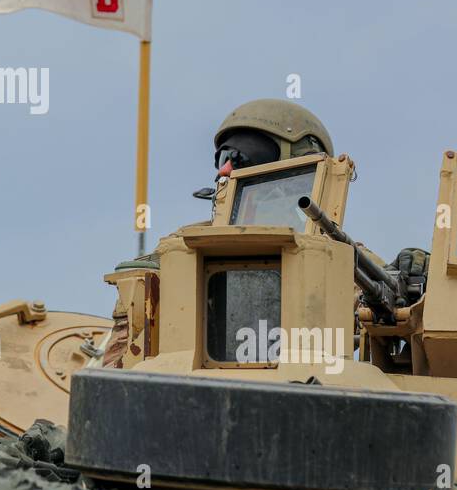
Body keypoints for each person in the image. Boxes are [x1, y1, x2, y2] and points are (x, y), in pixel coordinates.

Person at [100, 99, 426, 367]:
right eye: (222, 157)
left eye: (240, 156)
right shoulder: (178, 252)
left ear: (297, 160)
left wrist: (413, 276)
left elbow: (395, 297)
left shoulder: (338, 257)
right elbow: (118, 363)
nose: (224, 169)